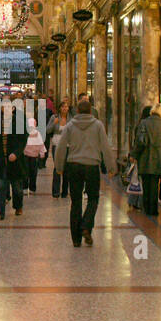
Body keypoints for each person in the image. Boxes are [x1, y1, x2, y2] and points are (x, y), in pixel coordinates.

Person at [54, 97, 116, 246]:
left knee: (75, 202)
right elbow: (105, 147)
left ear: (77, 111)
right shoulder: (98, 125)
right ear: (90, 111)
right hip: (92, 166)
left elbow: (61, 147)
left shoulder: (70, 126)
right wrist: (111, 167)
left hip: (73, 166)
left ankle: (76, 240)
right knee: (93, 198)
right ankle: (86, 226)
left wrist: (59, 167)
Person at [0, 99, 28, 221]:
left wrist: (16, 154)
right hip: (1, 160)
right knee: (0, 187)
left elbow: (23, 140)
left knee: (17, 188)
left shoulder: (19, 122)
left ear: (12, 109)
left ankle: (18, 206)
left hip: (15, 161)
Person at [133, 103, 161, 217]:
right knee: (154, 184)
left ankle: (146, 207)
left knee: (146, 183)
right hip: (159, 157)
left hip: (144, 157)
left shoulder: (144, 123)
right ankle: (153, 209)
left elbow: (139, 141)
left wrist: (134, 155)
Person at [46, 99, 71, 198]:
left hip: (68, 144)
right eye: (63, 107)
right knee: (57, 167)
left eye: (66, 107)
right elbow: (47, 130)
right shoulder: (54, 117)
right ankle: (56, 191)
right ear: (60, 108)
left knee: (67, 168)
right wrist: (54, 123)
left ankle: (65, 191)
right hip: (57, 144)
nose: (65, 108)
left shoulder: (71, 118)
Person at [24, 116, 47, 193]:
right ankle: (32, 188)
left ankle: (25, 187)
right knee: (33, 172)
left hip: (26, 155)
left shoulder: (26, 132)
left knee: (26, 171)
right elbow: (41, 143)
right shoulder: (37, 133)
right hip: (33, 155)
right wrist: (42, 153)